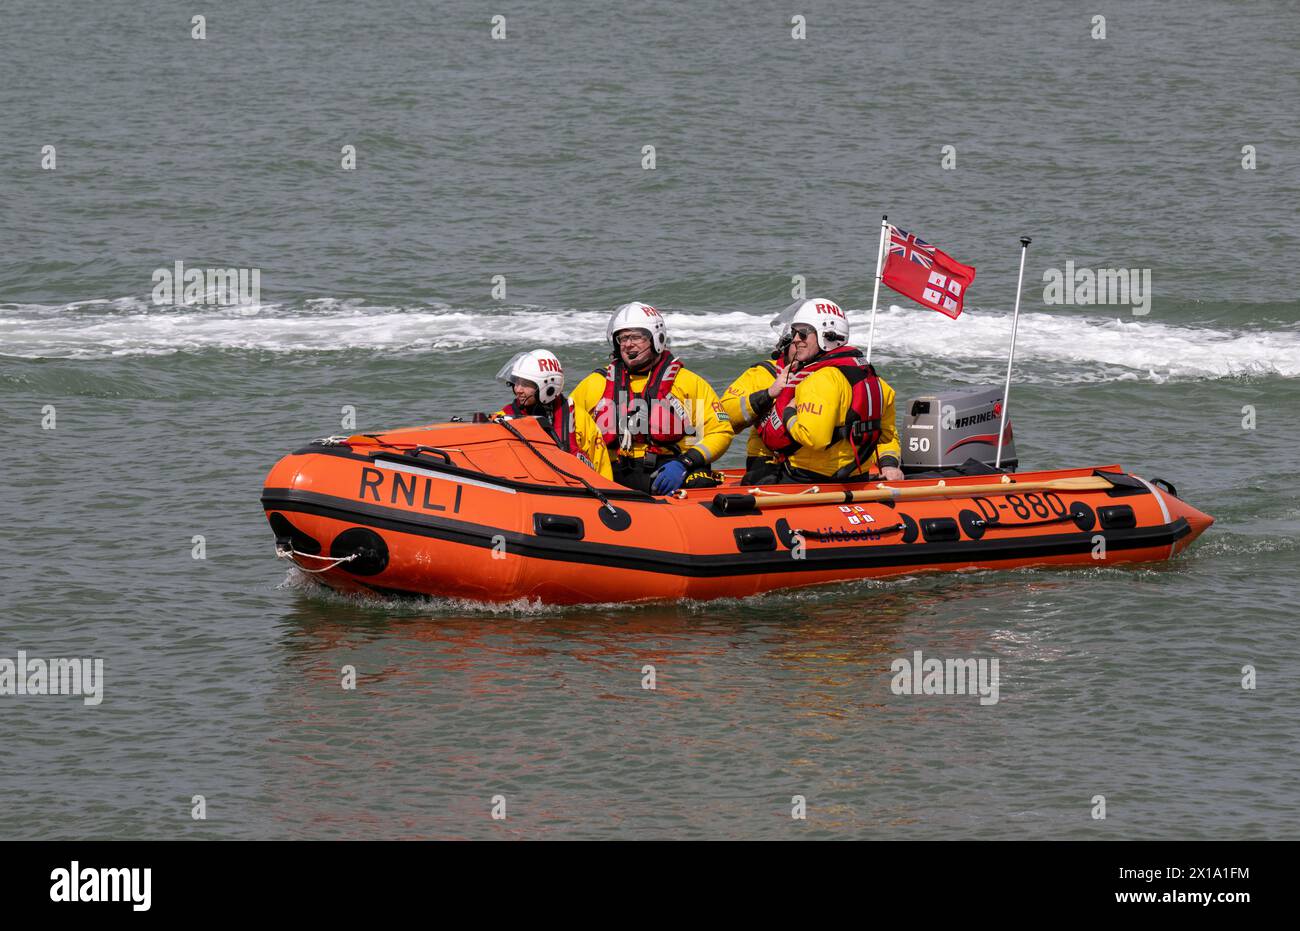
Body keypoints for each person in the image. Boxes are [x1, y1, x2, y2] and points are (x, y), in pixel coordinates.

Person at [570, 302, 732, 494]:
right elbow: (566, 425)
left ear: (657, 338)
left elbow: (720, 432)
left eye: (636, 337)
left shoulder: (687, 383)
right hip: (612, 471)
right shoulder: (595, 384)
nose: (628, 344)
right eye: (623, 338)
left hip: (671, 468)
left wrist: (685, 462)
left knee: (700, 483)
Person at [750, 299, 904, 483]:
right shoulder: (876, 381)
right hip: (856, 477)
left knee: (753, 481)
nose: (796, 339)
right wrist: (888, 463)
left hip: (807, 478)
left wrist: (790, 414)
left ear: (826, 336)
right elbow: (887, 434)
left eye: (803, 333)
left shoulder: (817, 380)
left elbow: (814, 438)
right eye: (794, 333)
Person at [492, 349, 613, 480]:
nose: (518, 389)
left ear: (548, 387)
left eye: (526, 384)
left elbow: (601, 468)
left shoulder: (578, 419)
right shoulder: (503, 418)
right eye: (516, 382)